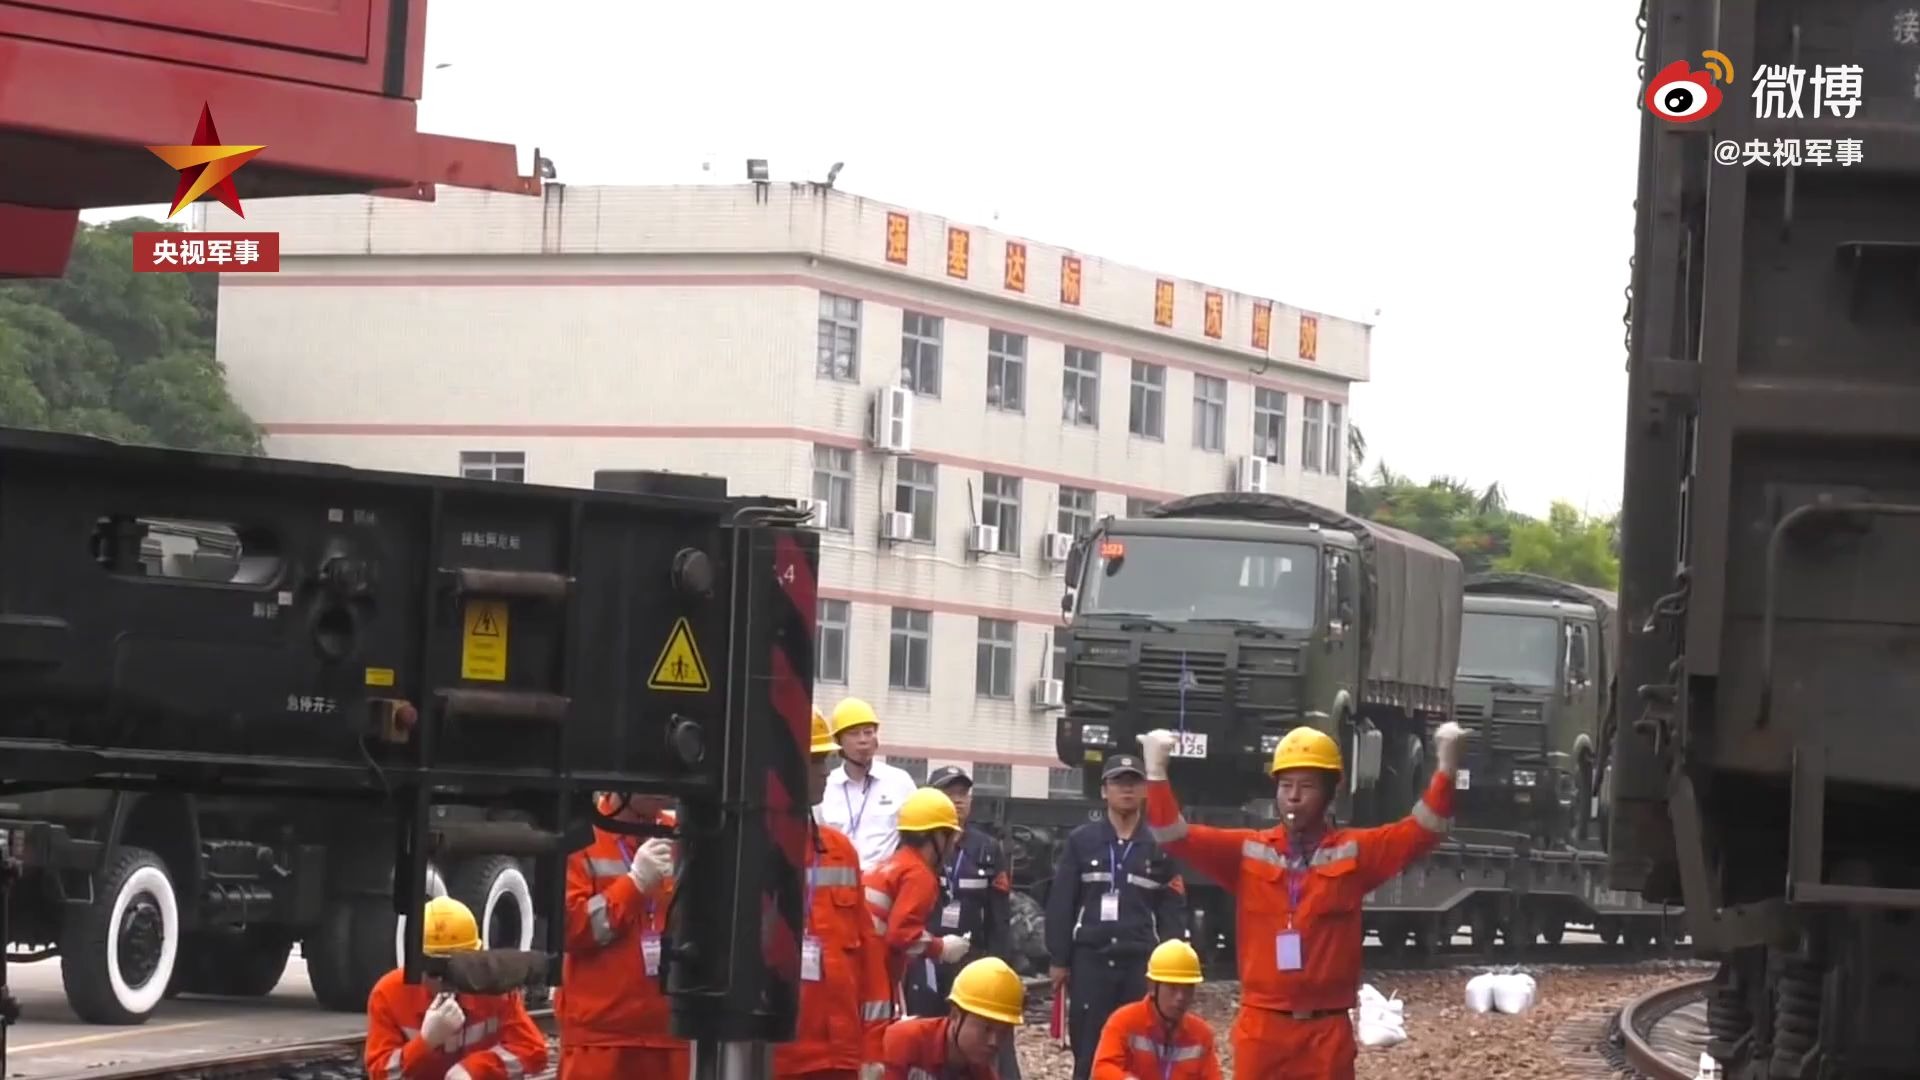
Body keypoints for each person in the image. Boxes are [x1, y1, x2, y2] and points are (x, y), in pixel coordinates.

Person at [1138, 721, 1465, 1080]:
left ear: (1329, 793)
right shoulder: (1248, 852)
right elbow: (1173, 835)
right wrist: (1155, 772)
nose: (1292, 796)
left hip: (1325, 1032)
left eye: (1306, 786)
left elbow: (1425, 830)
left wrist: (1446, 768)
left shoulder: (1354, 853)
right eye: (1285, 785)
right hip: (1262, 1026)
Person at [1046, 754, 1188, 1080]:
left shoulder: (1160, 845)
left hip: (1139, 964)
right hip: (1091, 961)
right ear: (1104, 790)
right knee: (1089, 1048)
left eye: (1134, 782)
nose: (1126, 789)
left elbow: (1172, 910)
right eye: (1118, 782)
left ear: (1144, 790)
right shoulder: (1082, 842)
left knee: (1139, 1049)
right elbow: (1062, 902)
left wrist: (1173, 968)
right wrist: (1059, 959)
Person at [777, 706, 893, 1080]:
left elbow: (870, 959)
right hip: (777, 1059)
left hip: (838, 1057)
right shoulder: (750, 852)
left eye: (825, 758)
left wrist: (873, 1047)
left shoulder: (840, 852)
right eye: (814, 760)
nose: (825, 770)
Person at [903, 766, 1022, 1077]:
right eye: (949, 793)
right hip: (926, 958)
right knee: (928, 1039)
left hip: (970, 959)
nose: (957, 801)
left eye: (963, 794)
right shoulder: (919, 847)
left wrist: (1000, 963)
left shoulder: (987, 848)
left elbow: (999, 914)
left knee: (979, 1042)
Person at [556, 788, 682, 1078]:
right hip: (601, 1042)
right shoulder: (581, 836)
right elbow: (567, 928)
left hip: (671, 1039)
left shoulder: (680, 834)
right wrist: (634, 886)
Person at [364, 896, 549, 1080]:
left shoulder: (495, 989)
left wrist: (475, 1070)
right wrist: (426, 1042)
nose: (447, 983)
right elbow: (381, 1073)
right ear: (416, 964)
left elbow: (533, 1051)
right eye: (435, 973)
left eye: (457, 970)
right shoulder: (389, 994)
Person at [863, 786, 973, 1007]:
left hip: (860, 963)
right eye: (951, 835)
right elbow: (901, 934)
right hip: (874, 972)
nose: (953, 844)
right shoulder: (919, 875)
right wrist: (941, 948)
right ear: (937, 836)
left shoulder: (893, 863)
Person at [1090, 939, 1222, 1080]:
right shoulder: (1124, 1022)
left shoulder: (1201, 1035)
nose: (1180, 997)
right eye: (1173, 987)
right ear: (1152, 987)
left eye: (1188, 988)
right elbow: (1102, 1069)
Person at [815, 697, 920, 871]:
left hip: (885, 887)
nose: (863, 740)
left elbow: (917, 836)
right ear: (838, 741)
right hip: (839, 886)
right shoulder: (825, 787)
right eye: (854, 733)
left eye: (868, 732)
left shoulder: (900, 782)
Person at [881, 956, 1025, 1079]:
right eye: (987, 1029)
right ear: (955, 1015)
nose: (994, 1042)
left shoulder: (982, 1073)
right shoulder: (903, 1042)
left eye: (1003, 1032)